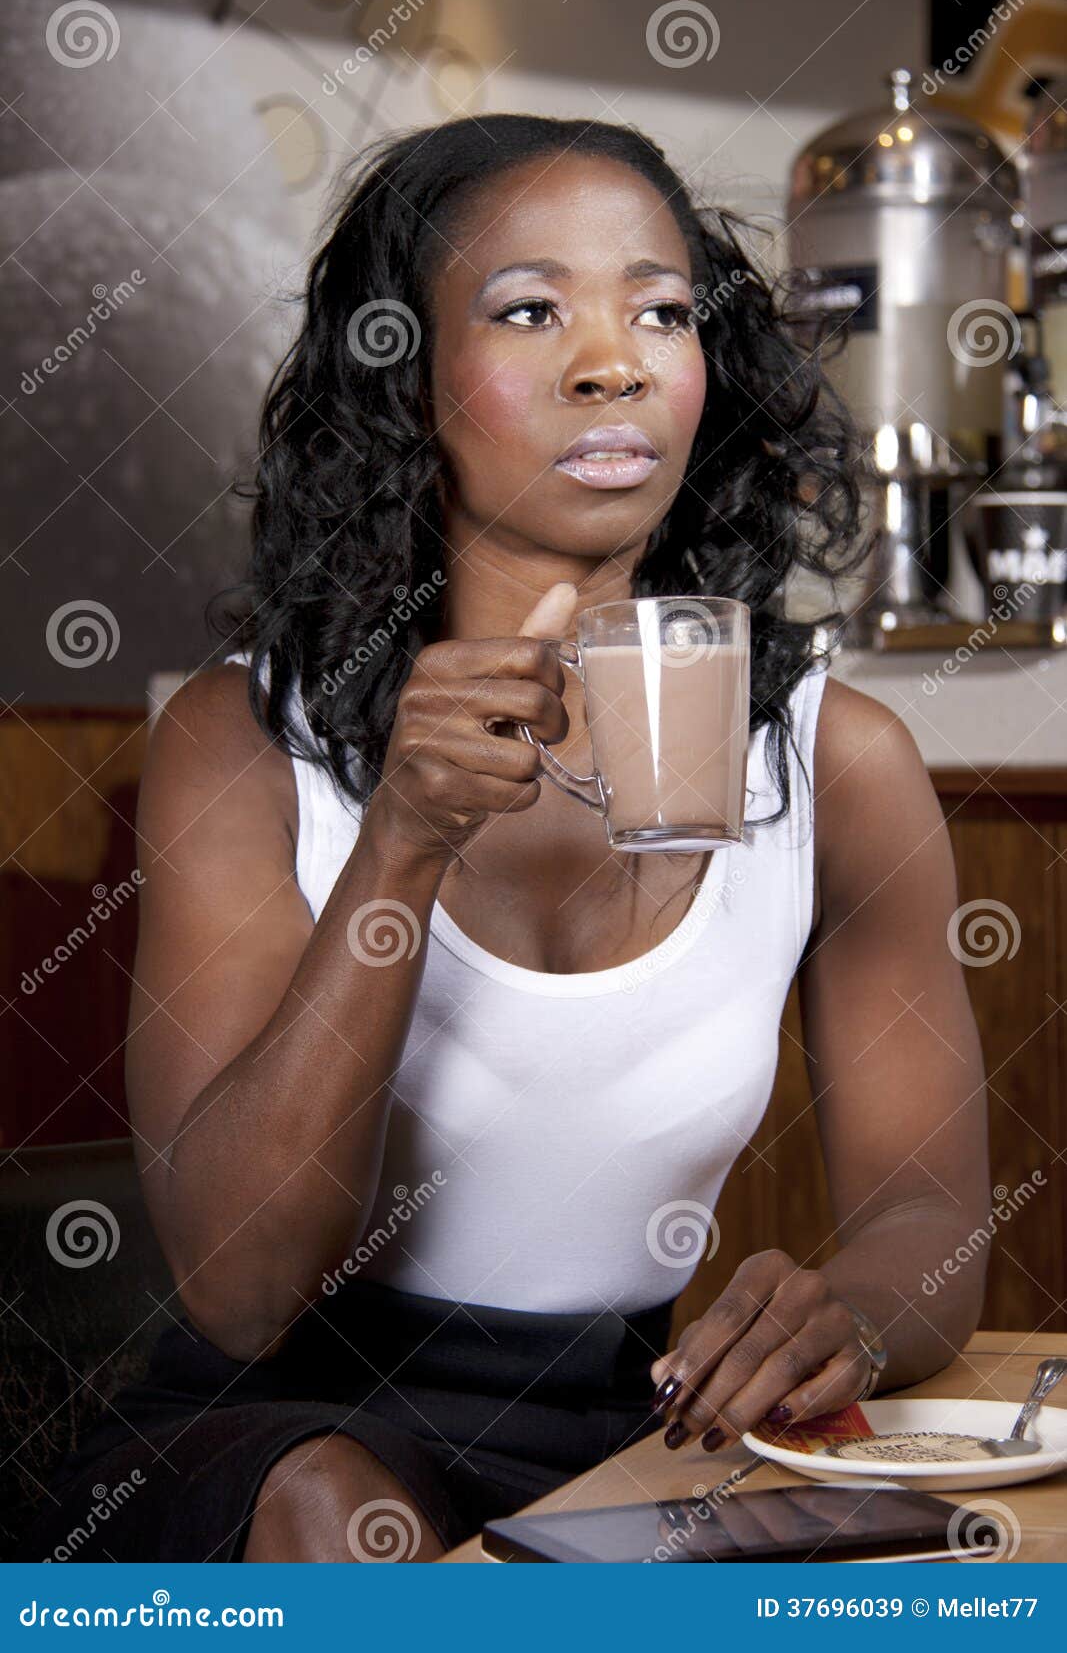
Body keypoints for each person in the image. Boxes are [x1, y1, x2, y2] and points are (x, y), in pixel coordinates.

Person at [21, 112, 989, 1564]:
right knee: (348, 1521)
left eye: (661, 312)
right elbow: (240, 1286)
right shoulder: (248, 740)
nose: (612, 362)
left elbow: (927, 1215)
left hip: (633, 1424)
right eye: (531, 310)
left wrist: (845, 1311)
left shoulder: (834, 762)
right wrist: (401, 841)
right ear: (406, 382)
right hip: (282, 1435)